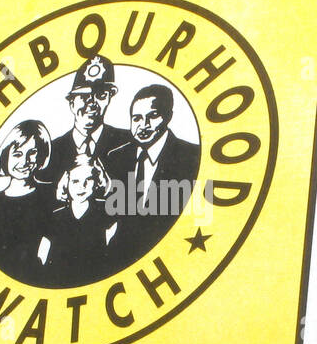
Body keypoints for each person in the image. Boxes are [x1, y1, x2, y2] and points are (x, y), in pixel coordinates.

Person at [103, 83, 201, 266]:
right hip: (119, 261)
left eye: (152, 116)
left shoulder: (191, 156)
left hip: (172, 261)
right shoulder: (117, 157)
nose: (143, 125)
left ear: (168, 116)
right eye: (137, 118)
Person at [0, 120, 53, 284]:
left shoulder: (51, 195)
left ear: (41, 155)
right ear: (5, 156)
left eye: (32, 153)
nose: (24, 162)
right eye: (17, 154)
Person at [45, 54, 132, 186]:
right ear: (71, 103)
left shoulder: (129, 142)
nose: (91, 103)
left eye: (100, 95)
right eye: (84, 96)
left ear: (109, 99)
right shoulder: (51, 151)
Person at [37, 154, 118, 288]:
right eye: (75, 181)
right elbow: (42, 256)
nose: (82, 186)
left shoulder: (107, 214)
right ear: (66, 183)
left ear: (97, 181)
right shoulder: (55, 217)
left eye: (89, 180)